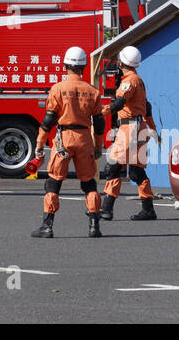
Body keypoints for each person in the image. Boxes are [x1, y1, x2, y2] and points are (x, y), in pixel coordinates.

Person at [29, 46, 115, 239]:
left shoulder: (58, 89)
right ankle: (94, 226)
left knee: (53, 183)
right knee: (89, 184)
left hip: (64, 140)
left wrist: (40, 143)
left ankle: (47, 226)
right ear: (83, 67)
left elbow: (49, 120)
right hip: (85, 139)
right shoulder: (92, 91)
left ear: (66, 65)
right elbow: (99, 122)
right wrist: (98, 145)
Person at [100, 45, 158, 222]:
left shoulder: (128, 81)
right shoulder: (139, 81)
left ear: (120, 62)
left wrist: (99, 113)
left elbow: (118, 103)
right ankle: (148, 209)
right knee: (136, 171)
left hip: (129, 128)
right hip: (140, 128)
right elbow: (147, 107)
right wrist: (153, 128)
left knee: (114, 166)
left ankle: (106, 209)